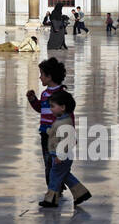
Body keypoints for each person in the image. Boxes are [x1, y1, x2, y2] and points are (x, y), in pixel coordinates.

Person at [39, 89, 91, 209]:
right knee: (65, 175)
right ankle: (81, 193)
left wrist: (60, 156)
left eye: (53, 106)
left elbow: (67, 141)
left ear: (62, 107)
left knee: (54, 176)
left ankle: (51, 199)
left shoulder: (64, 123)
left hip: (61, 156)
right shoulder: (62, 120)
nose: (51, 109)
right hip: (60, 155)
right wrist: (49, 131)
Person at [30, 57, 66, 194]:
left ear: (49, 76)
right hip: (45, 134)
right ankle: (53, 188)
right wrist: (33, 100)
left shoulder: (61, 94)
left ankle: (54, 189)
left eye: (41, 75)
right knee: (47, 163)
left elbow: (69, 115)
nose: (40, 78)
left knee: (56, 162)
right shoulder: (45, 94)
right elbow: (41, 108)